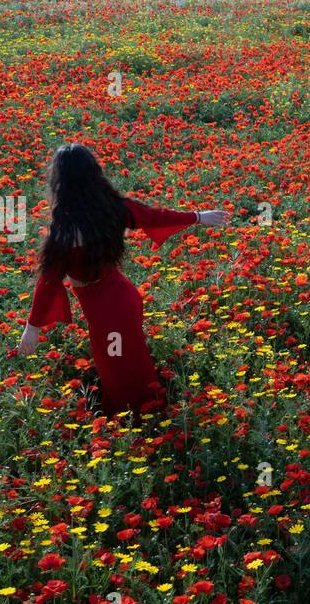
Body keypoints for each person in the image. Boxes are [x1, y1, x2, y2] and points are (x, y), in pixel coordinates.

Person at [17, 143, 229, 415]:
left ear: (60, 181)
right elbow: (153, 216)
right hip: (121, 300)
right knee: (127, 362)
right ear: (94, 173)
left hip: (108, 313)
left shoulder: (65, 231)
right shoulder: (112, 208)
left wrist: (32, 327)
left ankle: (138, 421)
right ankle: (144, 416)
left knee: (118, 366)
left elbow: (48, 281)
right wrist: (199, 216)